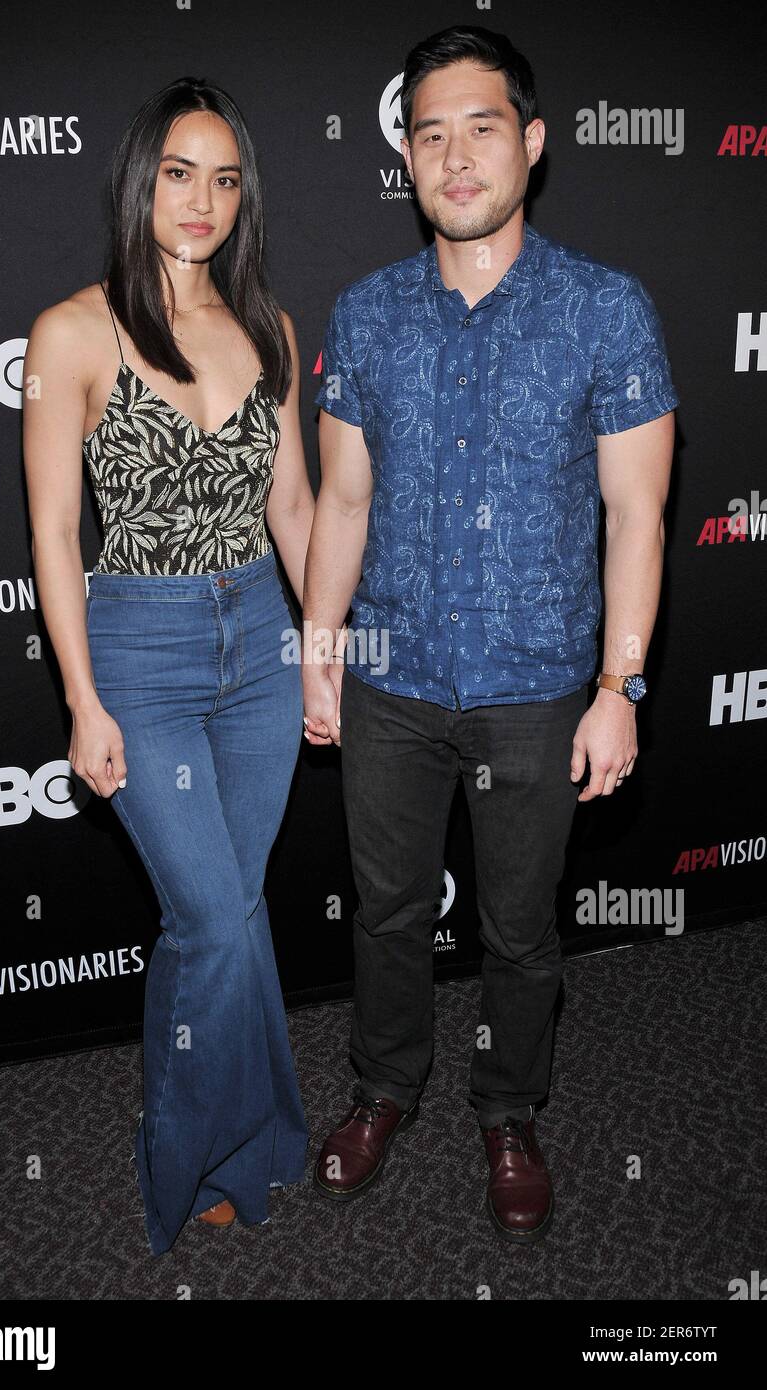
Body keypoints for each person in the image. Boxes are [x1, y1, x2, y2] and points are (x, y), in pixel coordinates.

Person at [302, 24, 678, 1243]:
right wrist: (321, 645)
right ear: (404, 155)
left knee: (520, 929)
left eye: (478, 128)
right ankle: (381, 1088)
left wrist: (618, 684)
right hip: (392, 679)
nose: (453, 157)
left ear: (528, 141)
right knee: (386, 911)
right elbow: (343, 501)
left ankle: (509, 1110)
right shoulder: (363, 315)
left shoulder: (605, 310)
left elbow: (636, 511)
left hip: (533, 688)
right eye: (427, 133)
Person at [22, 77, 315, 1256]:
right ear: (141, 178)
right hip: (138, 647)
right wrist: (82, 699)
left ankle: (239, 1154)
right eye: (181, 172)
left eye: (226, 177)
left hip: (262, 644)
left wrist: (326, 649)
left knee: (220, 920)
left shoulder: (270, 328)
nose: (203, 200)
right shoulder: (72, 331)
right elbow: (51, 532)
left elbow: (291, 502)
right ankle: (197, 1155)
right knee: (211, 916)